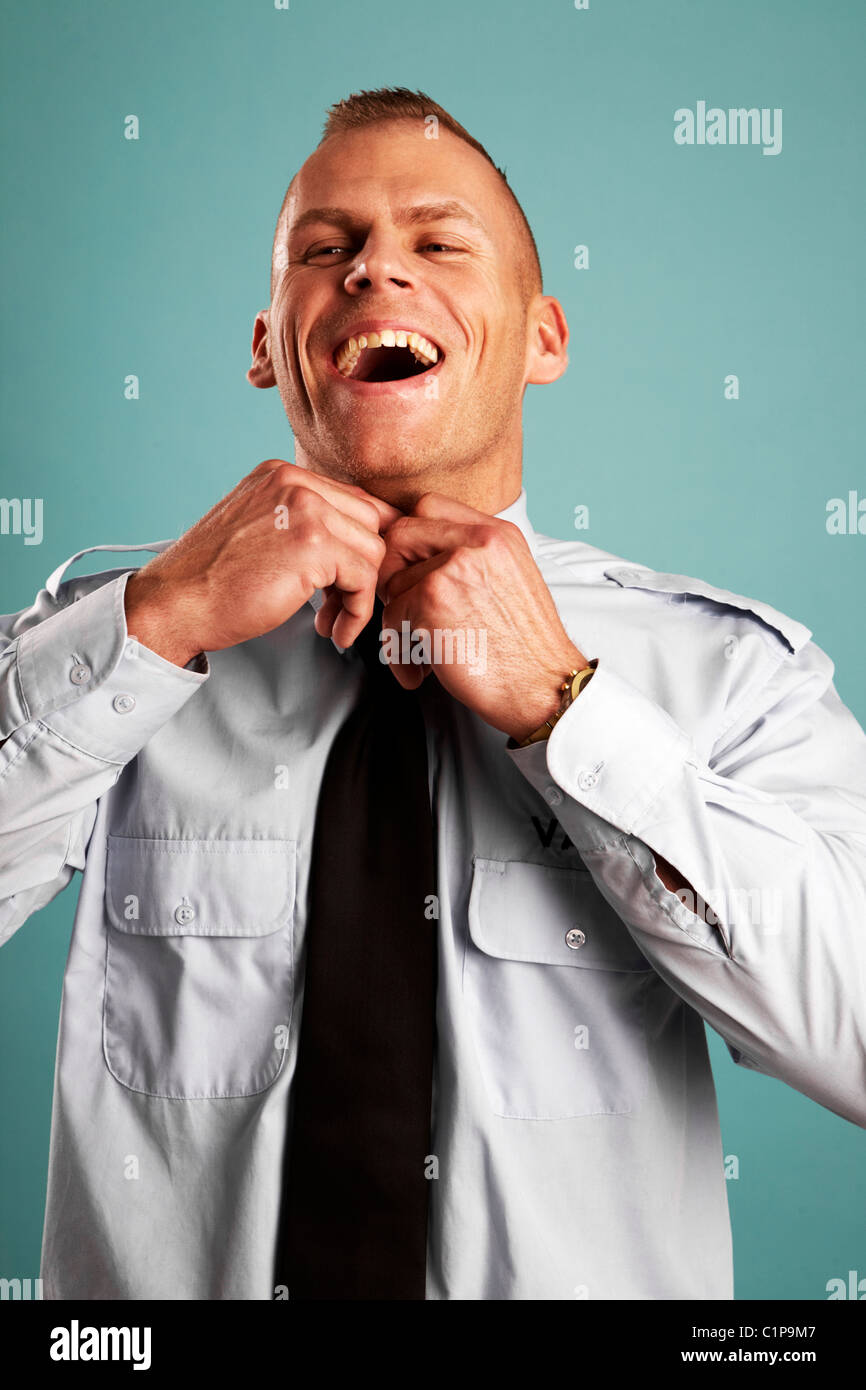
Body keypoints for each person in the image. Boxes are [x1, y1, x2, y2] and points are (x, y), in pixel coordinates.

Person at [1, 87, 864, 1302]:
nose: (373, 274)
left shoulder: (722, 671)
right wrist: (158, 619)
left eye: (437, 243)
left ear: (542, 337)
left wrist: (566, 707)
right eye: (325, 248)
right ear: (267, 345)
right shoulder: (113, 645)